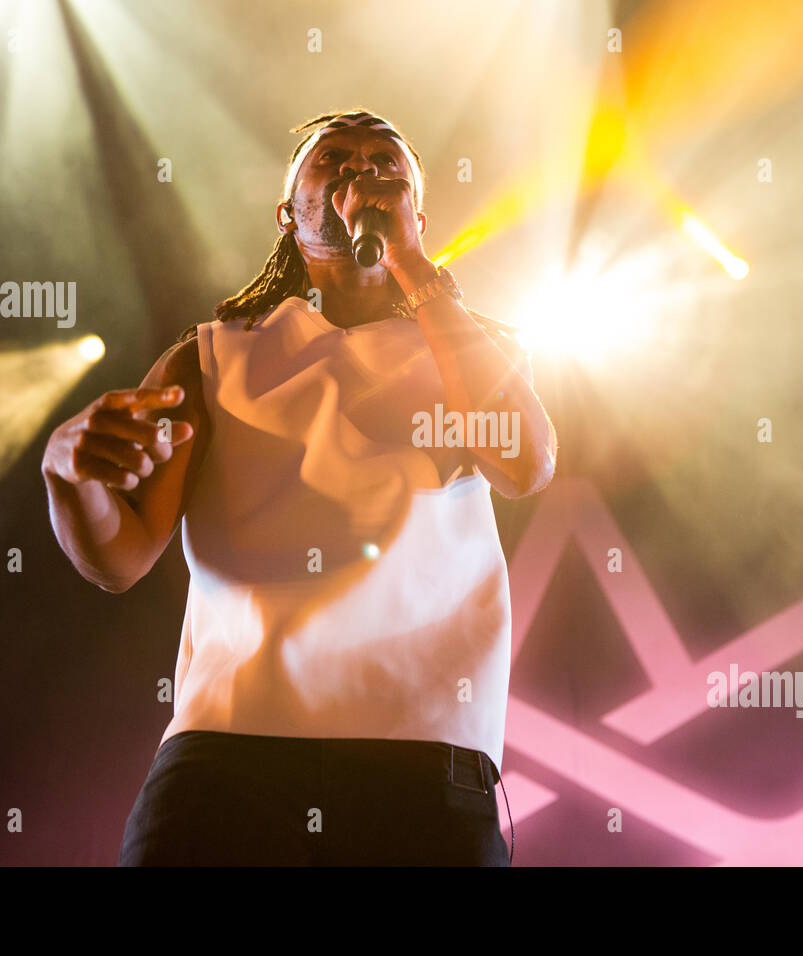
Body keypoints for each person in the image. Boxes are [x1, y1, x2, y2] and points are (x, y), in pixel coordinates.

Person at [41, 108, 557, 865]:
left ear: (416, 211)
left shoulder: (472, 348)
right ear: (288, 214)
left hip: (420, 762)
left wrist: (415, 269)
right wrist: (66, 475)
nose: (360, 169)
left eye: (385, 162)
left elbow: (525, 465)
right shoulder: (214, 355)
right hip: (227, 762)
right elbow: (119, 559)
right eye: (335, 158)